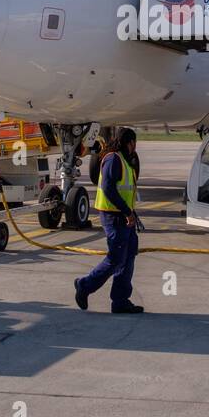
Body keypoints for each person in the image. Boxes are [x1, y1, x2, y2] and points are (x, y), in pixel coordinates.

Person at [74, 128, 144, 314]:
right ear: (129, 142)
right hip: (114, 216)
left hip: (124, 216)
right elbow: (108, 189)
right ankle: (84, 285)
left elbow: (125, 189)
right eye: (134, 143)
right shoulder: (113, 159)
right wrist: (126, 211)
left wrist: (130, 213)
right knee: (116, 258)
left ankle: (120, 300)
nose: (135, 147)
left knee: (128, 257)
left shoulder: (124, 160)